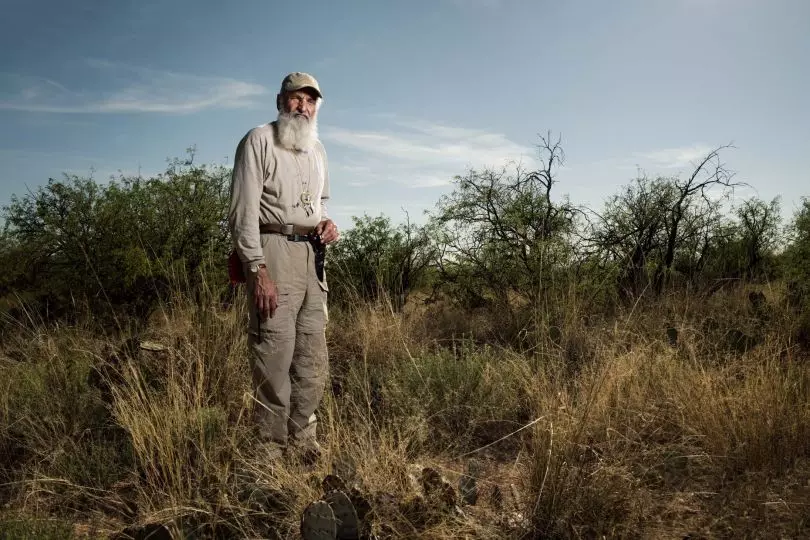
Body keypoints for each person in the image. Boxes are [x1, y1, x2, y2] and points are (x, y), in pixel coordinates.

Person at [228, 72, 339, 460]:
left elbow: (321, 203)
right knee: (273, 355)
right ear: (280, 100)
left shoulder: (318, 150)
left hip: (312, 257)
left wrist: (327, 223)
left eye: (310, 101)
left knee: (312, 357)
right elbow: (243, 214)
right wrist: (257, 270)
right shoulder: (259, 140)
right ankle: (269, 456)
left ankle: (304, 445)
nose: (303, 107)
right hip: (272, 249)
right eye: (296, 99)